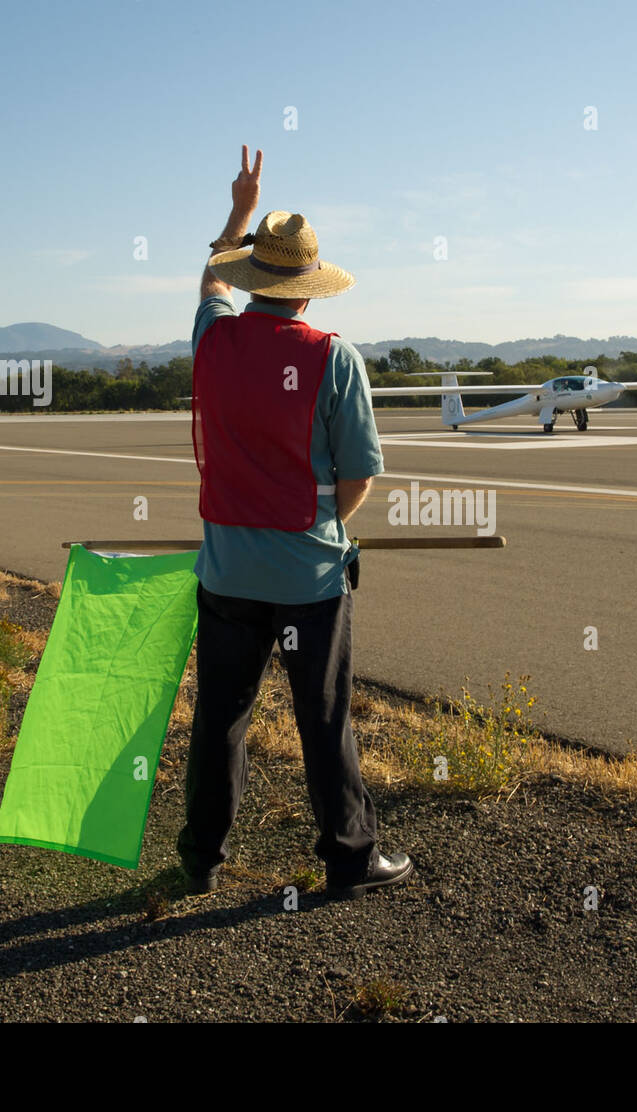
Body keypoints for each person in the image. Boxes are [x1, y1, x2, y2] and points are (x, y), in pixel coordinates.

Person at [177, 144, 412, 901]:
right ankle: (349, 859)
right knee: (323, 719)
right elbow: (358, 477)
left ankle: (200, 859)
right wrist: (320, 531)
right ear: (309, 291)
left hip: (226, 576)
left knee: (219, 721)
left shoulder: (213, 338)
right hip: (309, 579)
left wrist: (240, 214)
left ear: (253, 279)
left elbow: (213, 275)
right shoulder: (334, 359)